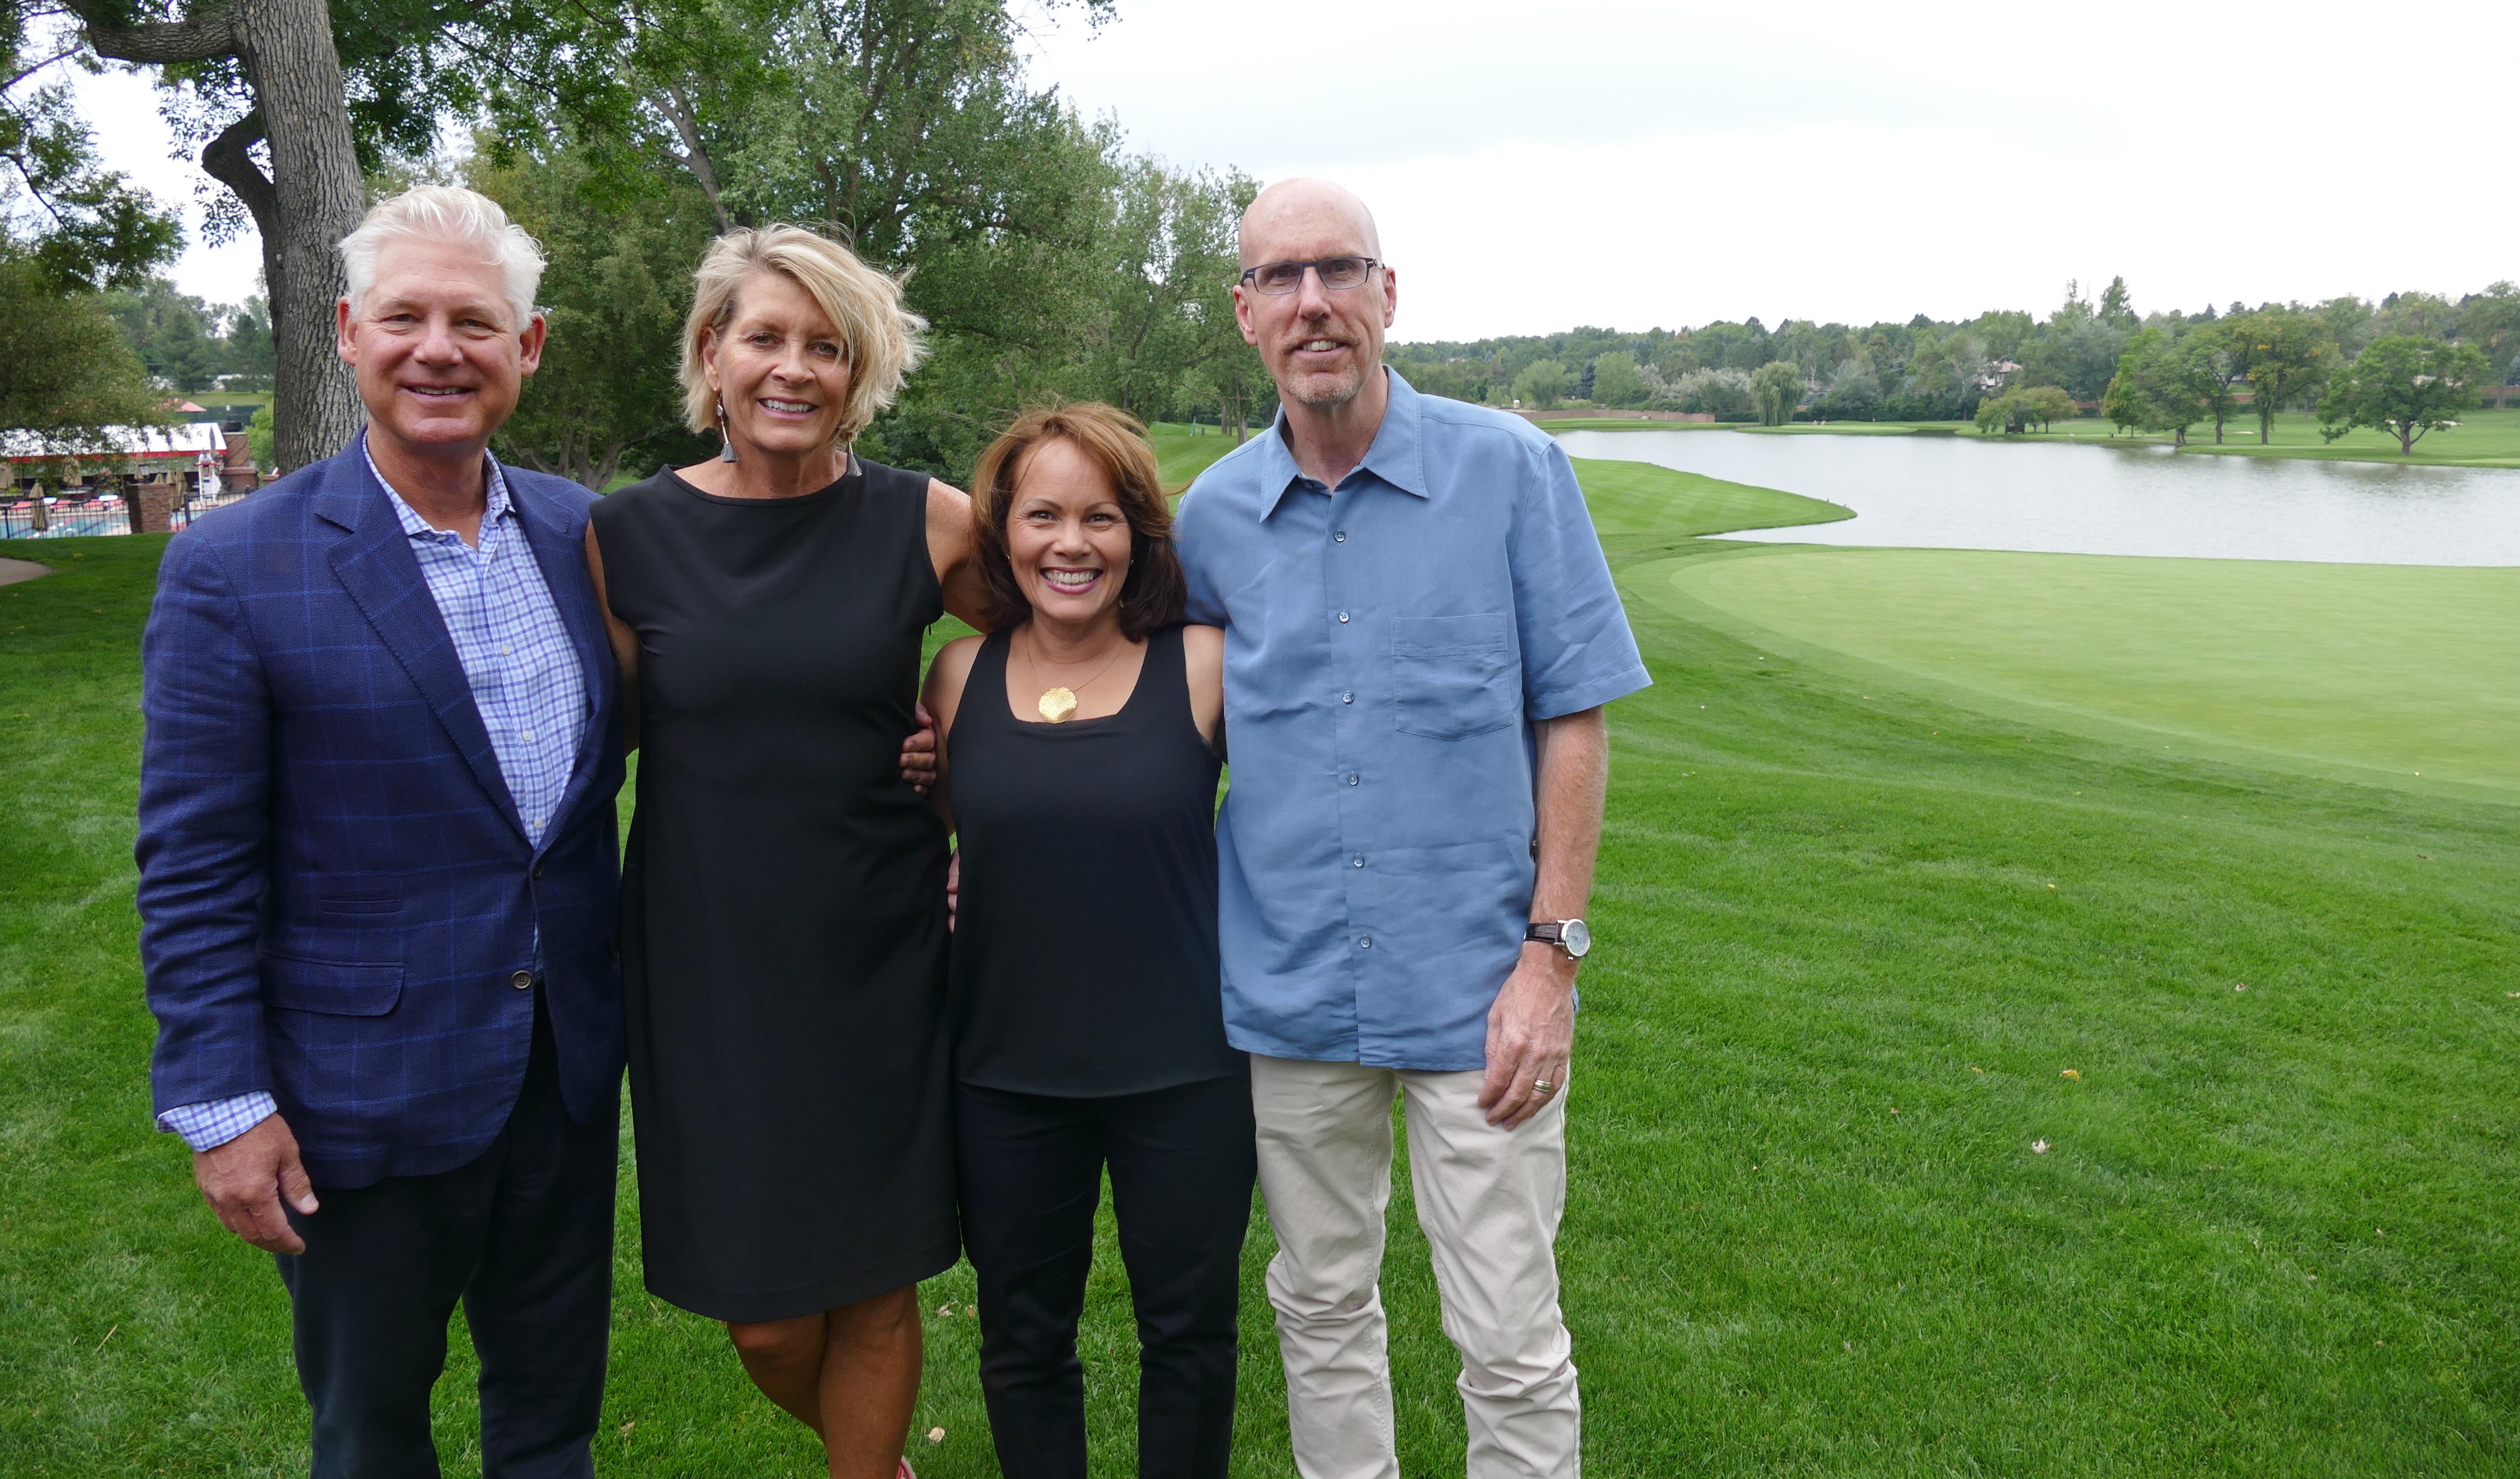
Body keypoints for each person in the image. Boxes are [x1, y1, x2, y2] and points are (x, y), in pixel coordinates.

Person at [136, 185, 628, 1476]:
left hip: (566, 1078)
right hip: (359, 1097)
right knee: (370, 1435)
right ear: (350, 333)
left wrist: (914, 754)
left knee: (553, 1424)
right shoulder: (236, 565)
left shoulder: (585, 535)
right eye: (405, 318)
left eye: (476, 322)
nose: (439, 350)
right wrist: (223, 1106)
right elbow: (194, 866)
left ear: (527, 347)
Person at [1173, 178, 1651, 1479]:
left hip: (1480, 993)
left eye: (1339, 270)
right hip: (1288, 988)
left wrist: (1551, 958)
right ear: (1245, 313)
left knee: (1509, 1333)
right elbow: (1157, 738)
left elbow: (1573, 718)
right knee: (1319, 1304)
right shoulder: (1210, 517)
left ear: (1389, 294)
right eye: (1280, 277)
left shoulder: (1511, 472)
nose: (1313, 302)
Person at [586, 225, 989, 1479]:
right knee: (762, 1317)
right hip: (707, 963)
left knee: (874, 1283)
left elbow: (1070, 633)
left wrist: (959, 738)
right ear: (712, 353)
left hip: (880, 951)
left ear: (860, 371)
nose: (794, 369)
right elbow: (608, 734)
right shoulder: (626, 535)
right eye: (765, 337)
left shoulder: (925, 520)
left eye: (828, 346)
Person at [919, 404, 1250, 1479]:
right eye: (1043, 516)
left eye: (1101, 517)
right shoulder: (957, 677)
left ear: (1139, 532)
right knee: (1024, 1342)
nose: (1072, 543)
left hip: (1185, 1070)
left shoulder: (1204, 664)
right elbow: (940, 840)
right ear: (1004, 533)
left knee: (1189, 1338)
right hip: (1006, 1073)